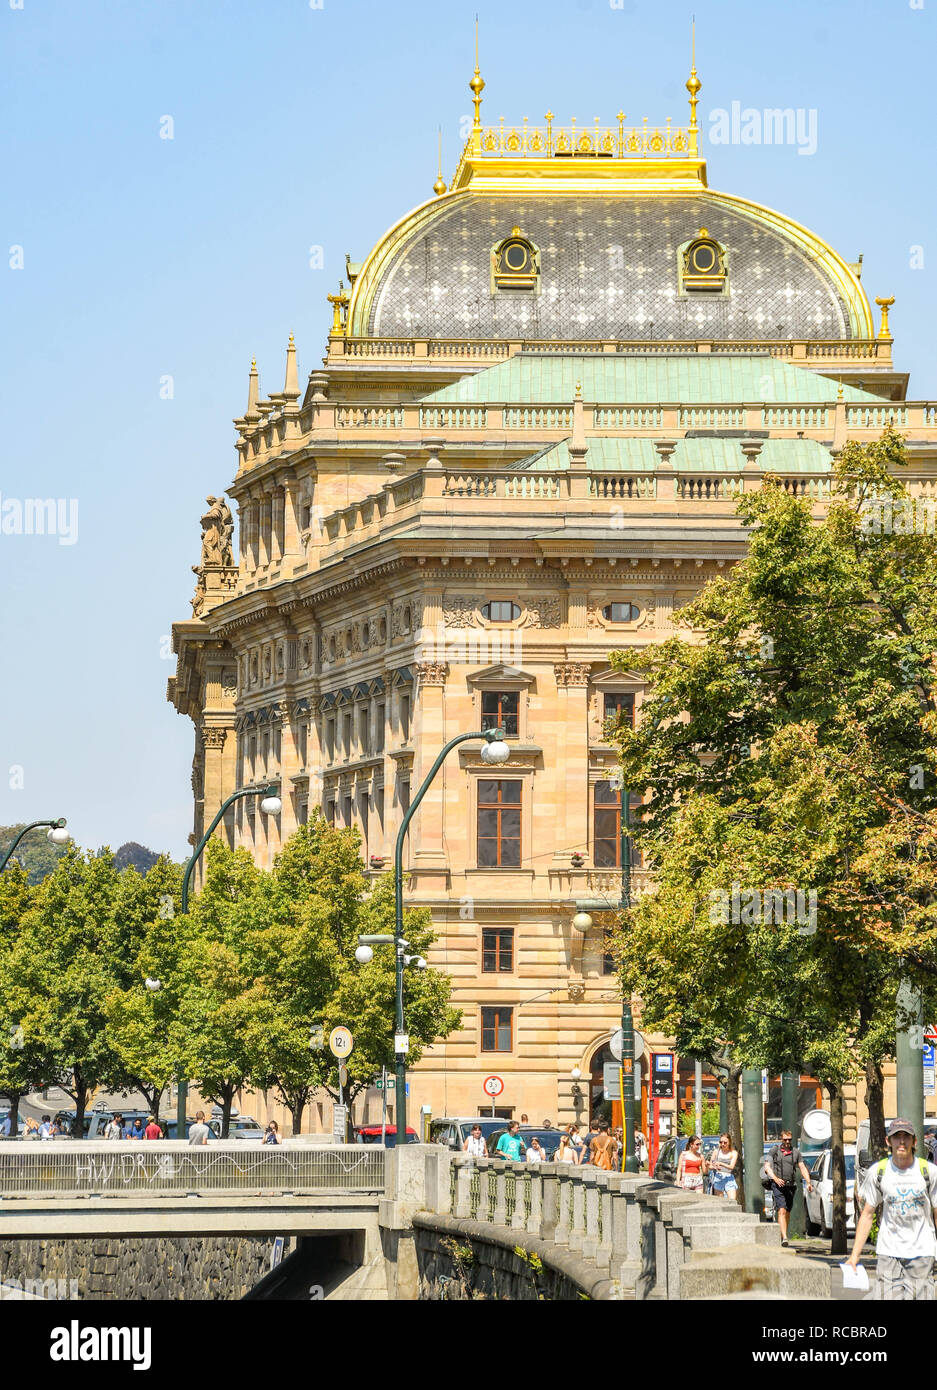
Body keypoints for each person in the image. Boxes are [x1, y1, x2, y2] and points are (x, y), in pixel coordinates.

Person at [847, 1118, 937, 1300]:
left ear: (914, 1141)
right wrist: (854, 1255)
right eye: (897, 1137)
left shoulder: (928, 1172)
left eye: (906, 1137)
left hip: (922, 1251)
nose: (901, 1142)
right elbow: (867, 1214)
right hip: (889, 1252)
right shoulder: (878, 1172)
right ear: (889, 1141)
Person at [764, 1129, 813, 1245]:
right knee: (781, 1210)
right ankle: (785, 1238)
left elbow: (802, 1167)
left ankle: (782, 1234)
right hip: (777, 1185)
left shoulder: (796, 1152)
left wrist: (809, 1182)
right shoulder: (774, 1150)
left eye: (789, 1139)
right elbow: (767, 1167)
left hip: (790, 1185)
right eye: (785, 1139)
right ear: (781, 1139)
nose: (787, 1142)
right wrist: (775, 1179)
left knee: (787, 1212)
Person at [709, 1133, 739, 1198]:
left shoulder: (733, 1153)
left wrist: (721, 1163)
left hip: (729, 1177)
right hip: (718, 1177)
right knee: (720, 1201)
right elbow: (710, 1166)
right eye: (721, 1142)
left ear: (729, 1142)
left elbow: (731, 1167)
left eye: (725, 1142)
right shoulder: (716, 1151)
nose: (722, 1144)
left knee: (732, 1200)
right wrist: (714, 1166)